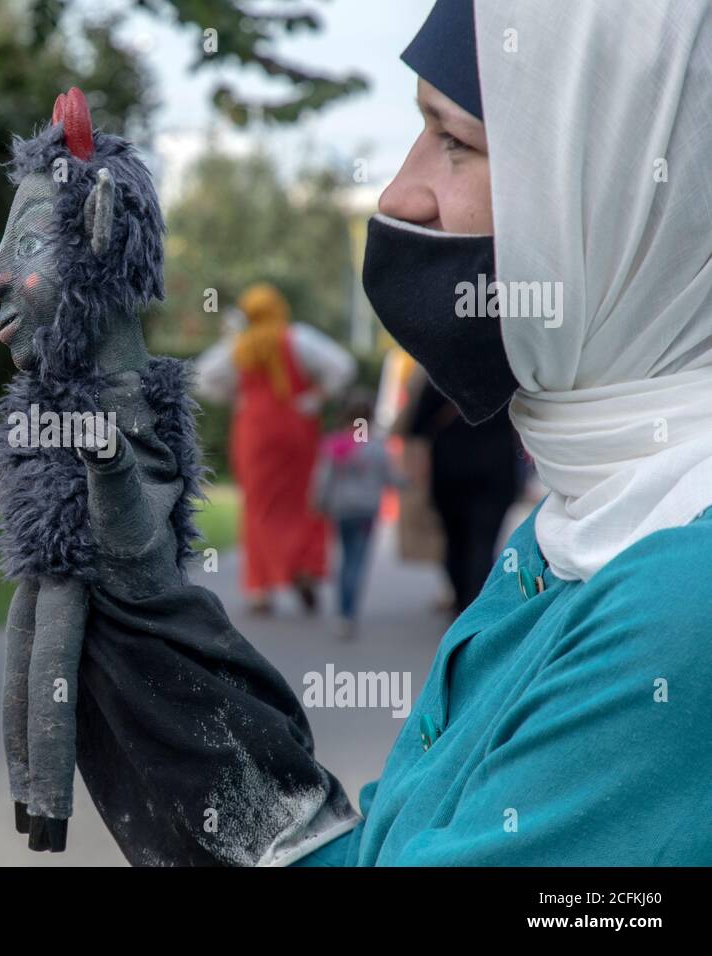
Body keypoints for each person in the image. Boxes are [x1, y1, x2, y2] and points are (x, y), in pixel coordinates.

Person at [281, 0, 712, 864]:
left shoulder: (682, 605)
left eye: (456, 141)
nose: (400, 195)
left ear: (620, 189)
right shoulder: (584, 518)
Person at [213, 283, 355, 615]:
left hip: (253, 432)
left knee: (258, 505)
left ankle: (260, 589)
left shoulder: (239, 346)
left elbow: (205, 377)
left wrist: (237, 398)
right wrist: (316, 397)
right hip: (296, 427)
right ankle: (303, 566)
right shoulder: (299, 338)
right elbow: (343, 367)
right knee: (304, 500)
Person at [407, 376, 521, 615]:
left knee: (455, 541)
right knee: (483, 542)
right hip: (496, 470)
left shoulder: (439, 375)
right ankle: (474, 608)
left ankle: (462, 603)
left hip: (449, 471)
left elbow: (416, 426)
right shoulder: (506, 375)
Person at [312, 388, 400, 639]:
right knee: (357, 561)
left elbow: (324, 478)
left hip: (341, 509)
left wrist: (319, 501)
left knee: (343, 558)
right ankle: (349, 613)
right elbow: (390, 478)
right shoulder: (377, 447)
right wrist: (410, 481)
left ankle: (342, 611)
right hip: (366, 511)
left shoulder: (335, 444)